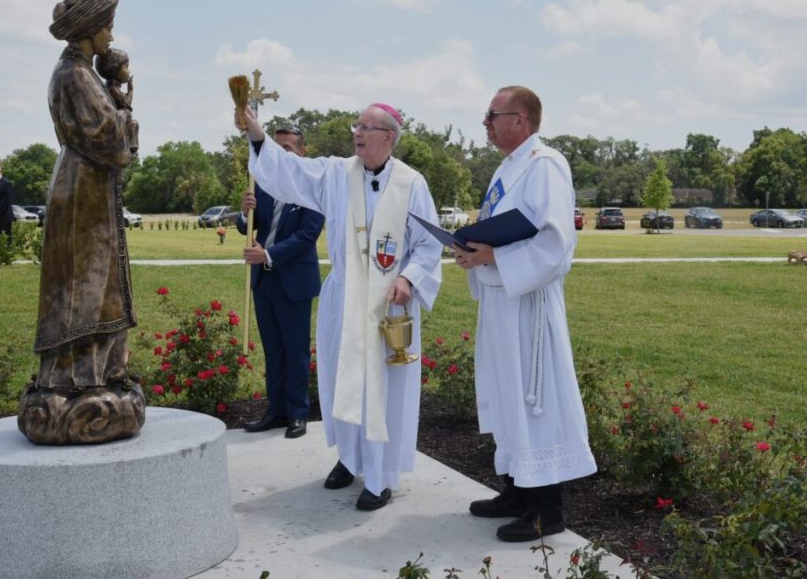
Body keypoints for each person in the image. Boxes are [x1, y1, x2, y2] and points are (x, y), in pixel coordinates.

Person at [235, 102, 442, 512]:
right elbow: (290, 173)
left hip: (388, 303)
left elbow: (428, 245)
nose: (357, 133)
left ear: (388, 136)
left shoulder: (412, 183)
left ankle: (380, 476)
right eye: (356, 125)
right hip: (345, 295)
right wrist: (256, 133)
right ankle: (348, 459)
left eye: (366, 127)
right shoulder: (335, 173)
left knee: (382, 390)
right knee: (340, 379)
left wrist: (408, 278)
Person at [451, 85, 596, 542]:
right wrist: (474, 249)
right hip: (501, 300)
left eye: (492, 115)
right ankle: (515, 489)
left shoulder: (545, 165)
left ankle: (546, 511)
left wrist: (494, 257)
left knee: (535, 401)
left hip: (528, 305)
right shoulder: (508, 167)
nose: (486, 123)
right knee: (505, 394)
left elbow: (556, 243)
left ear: (521, 120)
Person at [19, 0, 143, 445]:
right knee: (82, 285)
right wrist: (126, 112)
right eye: (107, 27)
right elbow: (106, 138)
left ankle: (101, 373)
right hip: (81, 189)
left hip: (92, 188)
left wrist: (118, 97)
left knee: (101, 281)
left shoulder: (86, 73)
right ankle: (72, 378)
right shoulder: (72, 75)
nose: (111, 35)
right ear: (90, 31)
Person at [236, 125, 325, 440]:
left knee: (296, 350)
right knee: (273, 350)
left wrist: (269, 254)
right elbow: (250, 226)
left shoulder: (311, 187)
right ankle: (275, 410)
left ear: (301, 152)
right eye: (279, 147)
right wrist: (246, 215)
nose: (284, 153)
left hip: (294, 281)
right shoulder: (265, 182)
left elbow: (306, 236)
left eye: (289, 148)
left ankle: (297, 413)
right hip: (264, 282)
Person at [94, 47, 139, 153]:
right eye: (126, 67)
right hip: (114, 126)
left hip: (117, 124)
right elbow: (126, 103)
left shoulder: (112, 88)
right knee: (132, 122)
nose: (129, 71)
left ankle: (131, 145)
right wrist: (131, 89)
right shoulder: (112, 88)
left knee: (133, 123)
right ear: (114, 69)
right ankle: (131, 145)